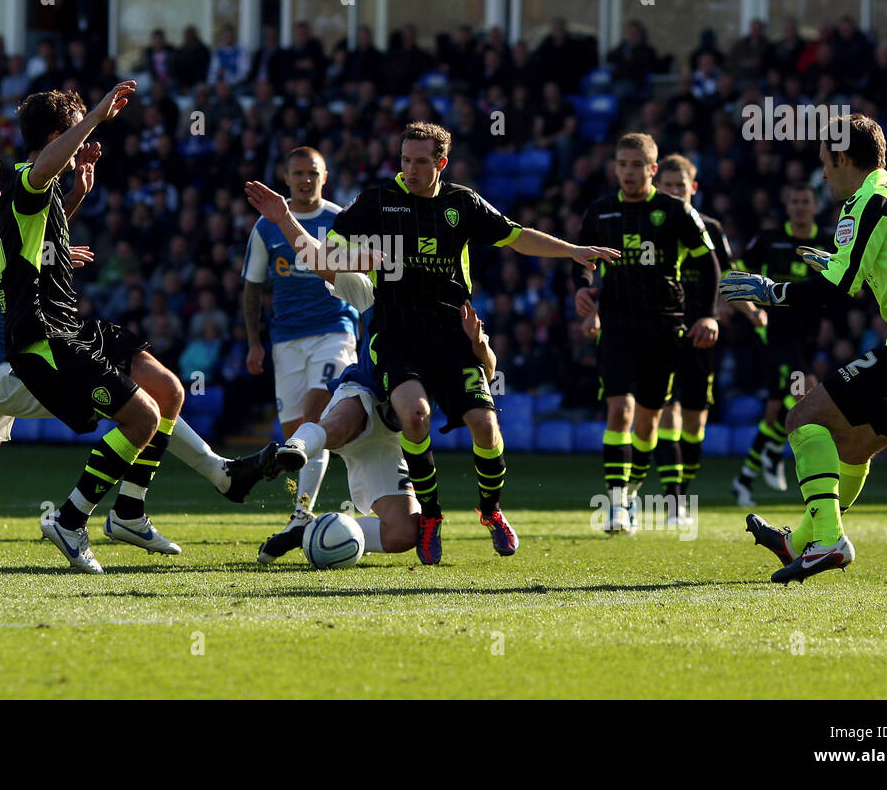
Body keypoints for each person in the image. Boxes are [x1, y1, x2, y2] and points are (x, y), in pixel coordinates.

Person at [0, 141, 270, 560]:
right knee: (143, 402)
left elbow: (27, 234)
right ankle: (198, 481)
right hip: (10, 367)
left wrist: (74, 199)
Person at [309, 121, 618, 562]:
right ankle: (431, 516)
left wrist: (572, 250)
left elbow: (516, 236)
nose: (410, 170)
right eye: (405, 160)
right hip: (397, 336)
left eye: (420, 162)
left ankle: (491, 511)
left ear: (441, 163)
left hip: (454, 336)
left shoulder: (462, 203)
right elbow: (327, 252)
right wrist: (358, 257)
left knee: (486, 427)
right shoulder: (378, 201)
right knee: (414, 415)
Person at [721, 115, 887, 582]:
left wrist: (771, 291)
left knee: (802, 418)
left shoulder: (865, 202)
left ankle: (827, 542)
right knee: (852, 448)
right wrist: (844, 267)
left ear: (842, 158)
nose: (822, 175)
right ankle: (800, 541)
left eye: (824, 163)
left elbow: (834, 291)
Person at [245, 180, 499, 560]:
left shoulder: (451, 310)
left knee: (403, 533)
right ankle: (294, 448)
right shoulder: (373, 288)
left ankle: (308, 532)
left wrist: (480, 347)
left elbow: (487, 371)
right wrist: (284, 220)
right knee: (341, 423)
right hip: (368, 391)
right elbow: (319, 259)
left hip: (394, 435)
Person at [0, 85, 187, 573]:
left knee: (167, 390)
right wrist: (96, 116)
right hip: (43, 334)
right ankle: (69, 520)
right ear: (59, 135)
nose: (89, 140)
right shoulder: (24, 177)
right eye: (79, 132)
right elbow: (41, 173)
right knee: (141, 419)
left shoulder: (45, 192)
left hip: (70, 321)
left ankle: (128, 513)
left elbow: (39, 235)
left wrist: (79, 191)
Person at [576, 134, 719, 535]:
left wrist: (707, 315)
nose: (628, 172)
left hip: (663, 326)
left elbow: (708, 264)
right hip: (618, 325)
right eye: (622, 164)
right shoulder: (601, 212)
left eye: (636, 165)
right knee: (619, 408)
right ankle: (617, 502)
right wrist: (583, 289)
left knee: (649, 421)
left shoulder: (674, 211)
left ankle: (635, 489)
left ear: (652, 169)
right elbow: (582, 260)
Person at [242, 147, 358, 561]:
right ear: (286, 177)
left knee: (314, 417)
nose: (305, 180)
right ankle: (305, 517)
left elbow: (358, 277)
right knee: (297, 438)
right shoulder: (265, 226)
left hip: (334, 332)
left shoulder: (340, 220)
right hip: (286, 340)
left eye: (313, 173)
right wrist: (255, 341)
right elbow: (253, 286)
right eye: (298, 173)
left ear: (325, 176)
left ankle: (300, 515)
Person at [728, 183, 830, 507]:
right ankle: (773, 454)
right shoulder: (770, 239)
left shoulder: (824, 242)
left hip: (808, 337)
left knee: (776, 409)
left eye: (805, 201)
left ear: (815, 206)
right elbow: (735, 272)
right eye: (795, 200)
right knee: (805, 394)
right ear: (788, 206)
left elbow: (847, 284)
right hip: (775, 337)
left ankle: (746, 476)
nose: (800, 206)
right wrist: (751, 309)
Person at [644, 154, 731, 523]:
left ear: (693, 188)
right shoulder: (648, 225)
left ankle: (682, 491)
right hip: (662, 331)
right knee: (667, 411)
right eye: (668, 187)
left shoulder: (710, 227)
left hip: (701, 335)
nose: (675, 193)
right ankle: (674, 498)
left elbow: (726, 277)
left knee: (695, 421)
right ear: (658, 187)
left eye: (681, 186)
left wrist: (731, 312)